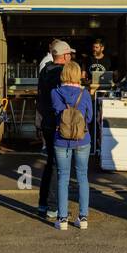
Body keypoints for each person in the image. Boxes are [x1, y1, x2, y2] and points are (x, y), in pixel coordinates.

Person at [50, 60, 93, 230]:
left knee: (63, 177)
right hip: (82, 139)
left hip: (61, 139)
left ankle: (62, 219)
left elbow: (55, 114)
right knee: (82, 176)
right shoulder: (85, 94)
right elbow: (88, 119)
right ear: (78, 75)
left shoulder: (55, 92)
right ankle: (83, 218)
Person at [36, 40, 72, 222]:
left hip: (46, 122)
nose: (71, 57)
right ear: (64, 56)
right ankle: (53, 207)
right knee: (59, 165)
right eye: (69, 55)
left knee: (51, 163)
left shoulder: (44, 70)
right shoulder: (61, 73)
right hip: (58, 123)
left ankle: (43, 204)